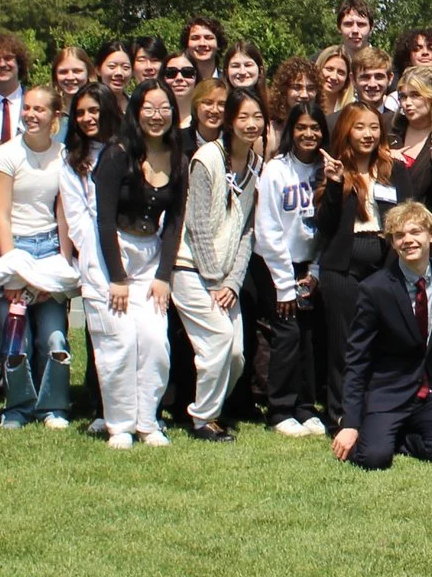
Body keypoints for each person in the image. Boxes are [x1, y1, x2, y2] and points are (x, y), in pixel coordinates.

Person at [71, 83, 177, 449]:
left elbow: (175, 221)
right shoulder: (117, 153)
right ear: (136, 110)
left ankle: (148, 421)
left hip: (150, 254)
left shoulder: (177, 154)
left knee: (153, 339)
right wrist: (116, 278)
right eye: (149, 107)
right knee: (118, 340)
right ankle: (119, 424)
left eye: (164, 108)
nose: (157, 115)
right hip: (109, 252)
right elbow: (103, 219)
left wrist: (164, 276)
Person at [330, 202, 432, 469]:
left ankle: (397, 437)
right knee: (373, 458)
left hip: (430, 392)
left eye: (415, 232)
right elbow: (357, 360)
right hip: (388, 392)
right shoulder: (374, 290)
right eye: (399, 235)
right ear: (392, 242)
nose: (408, 240)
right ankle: (375, 434)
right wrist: (351, 423)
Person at [169, 87, 260, 442]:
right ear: (229, 121)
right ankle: (202, 419)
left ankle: (213, 411)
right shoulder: (207, 157)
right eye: (243, 117)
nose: (251, 124)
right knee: (219, 340)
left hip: (225, 278)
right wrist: (212, 280)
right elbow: (197, 223)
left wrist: (233, 282)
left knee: (236, 354)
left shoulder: (256, 165)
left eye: (257, 117)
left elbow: (247, 230)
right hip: (192, 269)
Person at [0, 85, 74, 430]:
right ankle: (18, 408)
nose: (31, 115)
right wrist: (12, 272)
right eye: (28, 108)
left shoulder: (64, 155)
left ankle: (53, 406)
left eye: (40, 109)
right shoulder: (7, 155)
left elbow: (63, 214)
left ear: (55, 116)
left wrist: (63, 265)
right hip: (13, 249)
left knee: (53, 337)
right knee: (16, 338)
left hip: (51, 249)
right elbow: (1, 216)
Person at [314, 103, 397, 429]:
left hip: (384, 264)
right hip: (343, 268)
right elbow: (324, 225)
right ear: (347, 130)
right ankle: (340, 412)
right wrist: (334, 184)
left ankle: (375, 410)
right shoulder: (336, 170)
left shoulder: (392, 169)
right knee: (345, 345)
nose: (368, 134)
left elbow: (406, 213)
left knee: (381, 341)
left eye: (374, 127)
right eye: (360, 127)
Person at [257, 104, 332, 437]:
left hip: (309, 266)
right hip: (278, 265)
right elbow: (268, 228)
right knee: (286, 336)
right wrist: (284, 283)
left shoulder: (325, 169)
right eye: (301, 127)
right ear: (291, 130)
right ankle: (280, 409)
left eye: (315, 128)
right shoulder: (276, 169)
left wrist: (314, 271)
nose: (309, 134)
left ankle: (304, 406)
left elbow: (328, 226)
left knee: (307, 337)